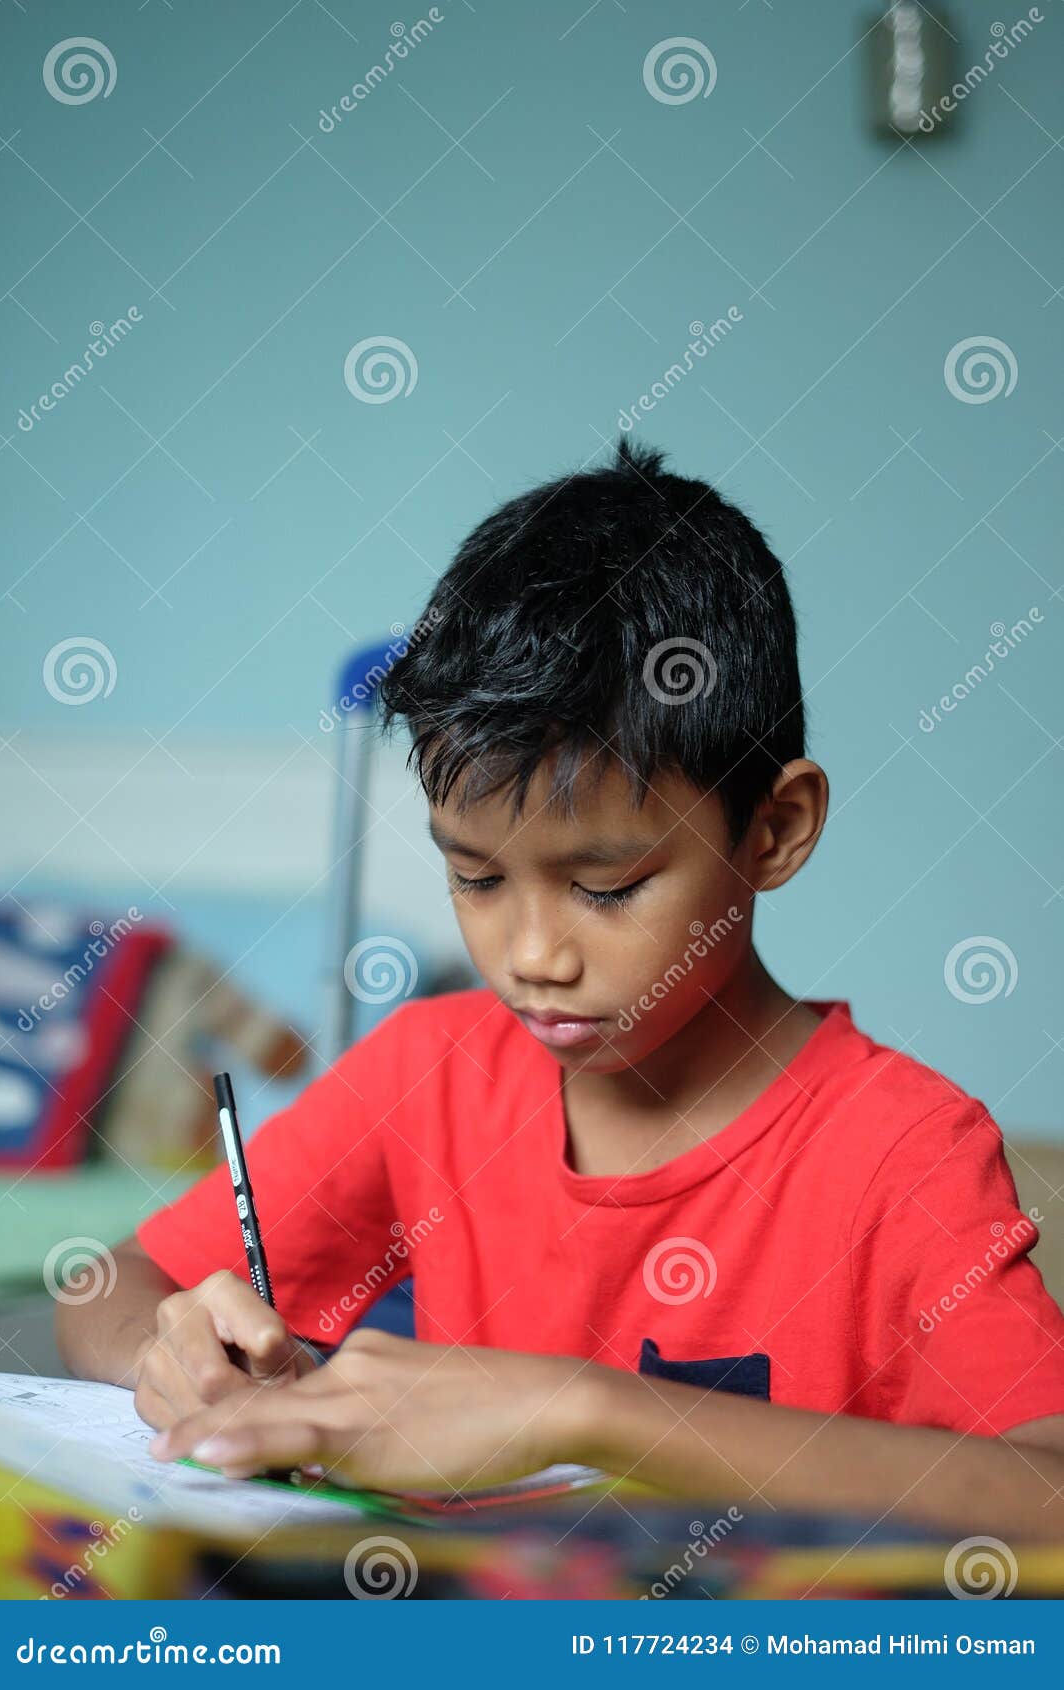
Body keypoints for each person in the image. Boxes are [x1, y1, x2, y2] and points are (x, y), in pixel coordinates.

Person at [57, 440, 1064, 1537]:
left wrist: (578, 1409)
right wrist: (182, 1359)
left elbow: (1047, 1487)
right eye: (474, 877)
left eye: (607, 885)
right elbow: (106, 1284)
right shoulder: (431, 1074)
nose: (532, 954)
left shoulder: (899, 1152)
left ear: (773, 830)